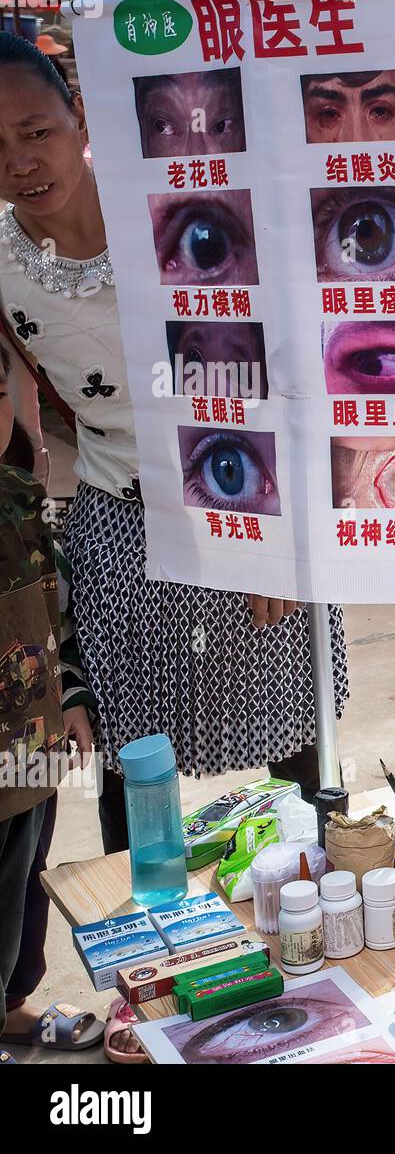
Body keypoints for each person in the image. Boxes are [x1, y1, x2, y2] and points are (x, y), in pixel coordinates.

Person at [0, 32, 348, 854]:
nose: (18, 162)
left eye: (36, 130)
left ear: (79, 116)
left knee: (298, 745)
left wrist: (277, 531)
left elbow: (286, 367)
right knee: (131, 770)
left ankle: (323, 908)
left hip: (246, 499)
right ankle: (151, 949)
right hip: (118, 524)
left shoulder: (188, 213)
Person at [0, 339, 101, 1060]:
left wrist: (68, 696)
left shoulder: (19, 493)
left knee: (26, 864)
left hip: (29, 728)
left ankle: (13, 999)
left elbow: (52, 603)